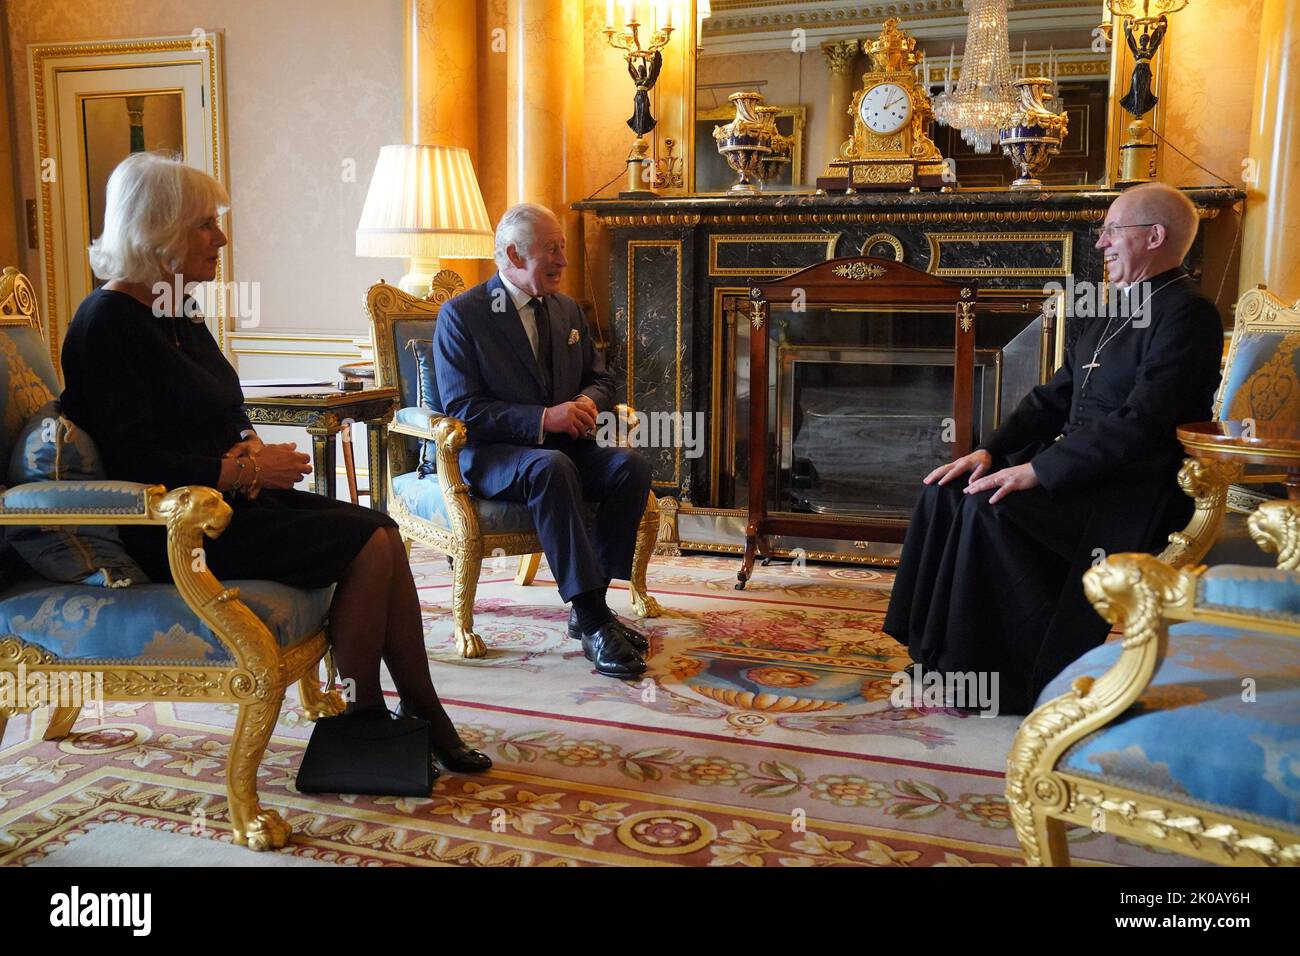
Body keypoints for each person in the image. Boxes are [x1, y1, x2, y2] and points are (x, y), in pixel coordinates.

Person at [60, 151, 490, 775]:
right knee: (368, 543)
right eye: (206, 223)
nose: (222, 237)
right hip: (175, 528)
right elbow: (130, 457)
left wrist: (251, 449)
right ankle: (370, 715)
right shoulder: (106, 323)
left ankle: (413, 711)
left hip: (229, 502)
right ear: (160, 229)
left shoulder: (174, 308)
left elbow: (223, 404)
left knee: (385, 533)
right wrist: (241, 472)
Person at [882, 182, 1224, 714]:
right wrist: (991, 453)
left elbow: (1144, 422)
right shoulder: (1115, 311)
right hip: (1080, 473)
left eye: (1113, 230)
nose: (1101, 243)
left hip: (1133, 490)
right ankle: (936, 656)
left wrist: (1039, 471)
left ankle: (1006, 681)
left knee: (990, 508)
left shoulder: (1189, 315)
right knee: (947, 490)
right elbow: (1052, 398)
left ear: (1154, 236)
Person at [432, 203, 653, 679]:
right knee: (549, 466)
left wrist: (587, 403)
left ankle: (589, 605)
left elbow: (602, 379)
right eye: (552, 250)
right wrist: (543, 419)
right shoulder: (463, 315)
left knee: (629, 467)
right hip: (496, 456)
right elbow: (462, 408)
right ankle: (595, 621)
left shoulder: (566, 308)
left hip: (566, 449)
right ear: (513, 253)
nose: (563, 261)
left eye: (562, 248)